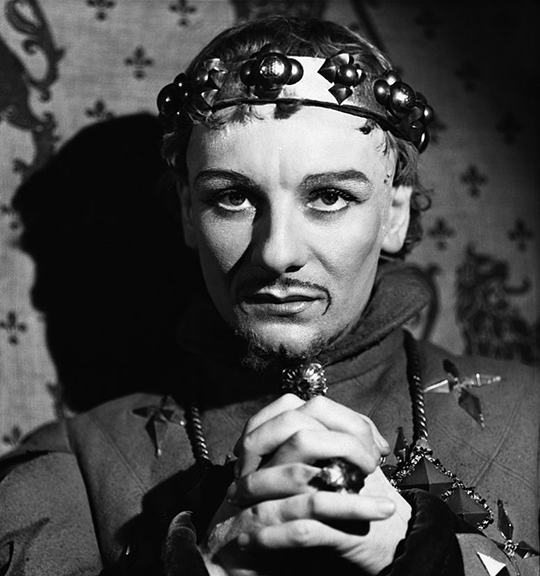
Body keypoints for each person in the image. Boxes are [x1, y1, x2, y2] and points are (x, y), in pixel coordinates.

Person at [0, 15, 538, 576]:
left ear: (394, 213)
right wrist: (211, 568)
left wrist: (427, 560)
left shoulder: (532, 421)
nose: (277, 253)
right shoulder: (73, 470)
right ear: (187, 210)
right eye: (232, 197)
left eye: (329, 196)